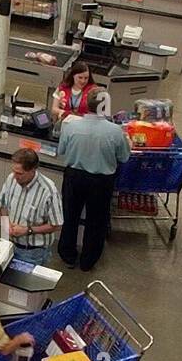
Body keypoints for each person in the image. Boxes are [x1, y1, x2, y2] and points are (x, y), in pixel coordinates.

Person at [57, 87, 130, 271]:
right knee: (96, 221)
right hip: (101, 181)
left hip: (74, 177)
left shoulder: (70, 125)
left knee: (70, 216)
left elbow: (61, 151)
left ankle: (68, 254)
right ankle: (88, 260)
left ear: (86, 104)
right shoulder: (115, 132)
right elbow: (123, 157)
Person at [0, 148, 63, 266]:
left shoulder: (48, 191)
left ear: (33, 170)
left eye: (20, 174)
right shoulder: (11, 179)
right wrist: (6, 223)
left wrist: (27, 230)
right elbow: (3, 205)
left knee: (24, 283)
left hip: (33, 252)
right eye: (14, 171)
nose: (15, 177)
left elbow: (56, 224)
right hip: (10, 244)